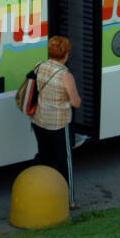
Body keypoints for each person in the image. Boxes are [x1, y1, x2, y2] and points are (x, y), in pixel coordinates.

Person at [30, 35, 82, 210]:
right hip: (60, 124)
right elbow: (76, 103)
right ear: (66, 54)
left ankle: (34, 186)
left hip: (39, 121)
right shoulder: (65, 76)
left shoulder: (39, 66)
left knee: (44, 156)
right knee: (64, 161)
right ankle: (70, 200)